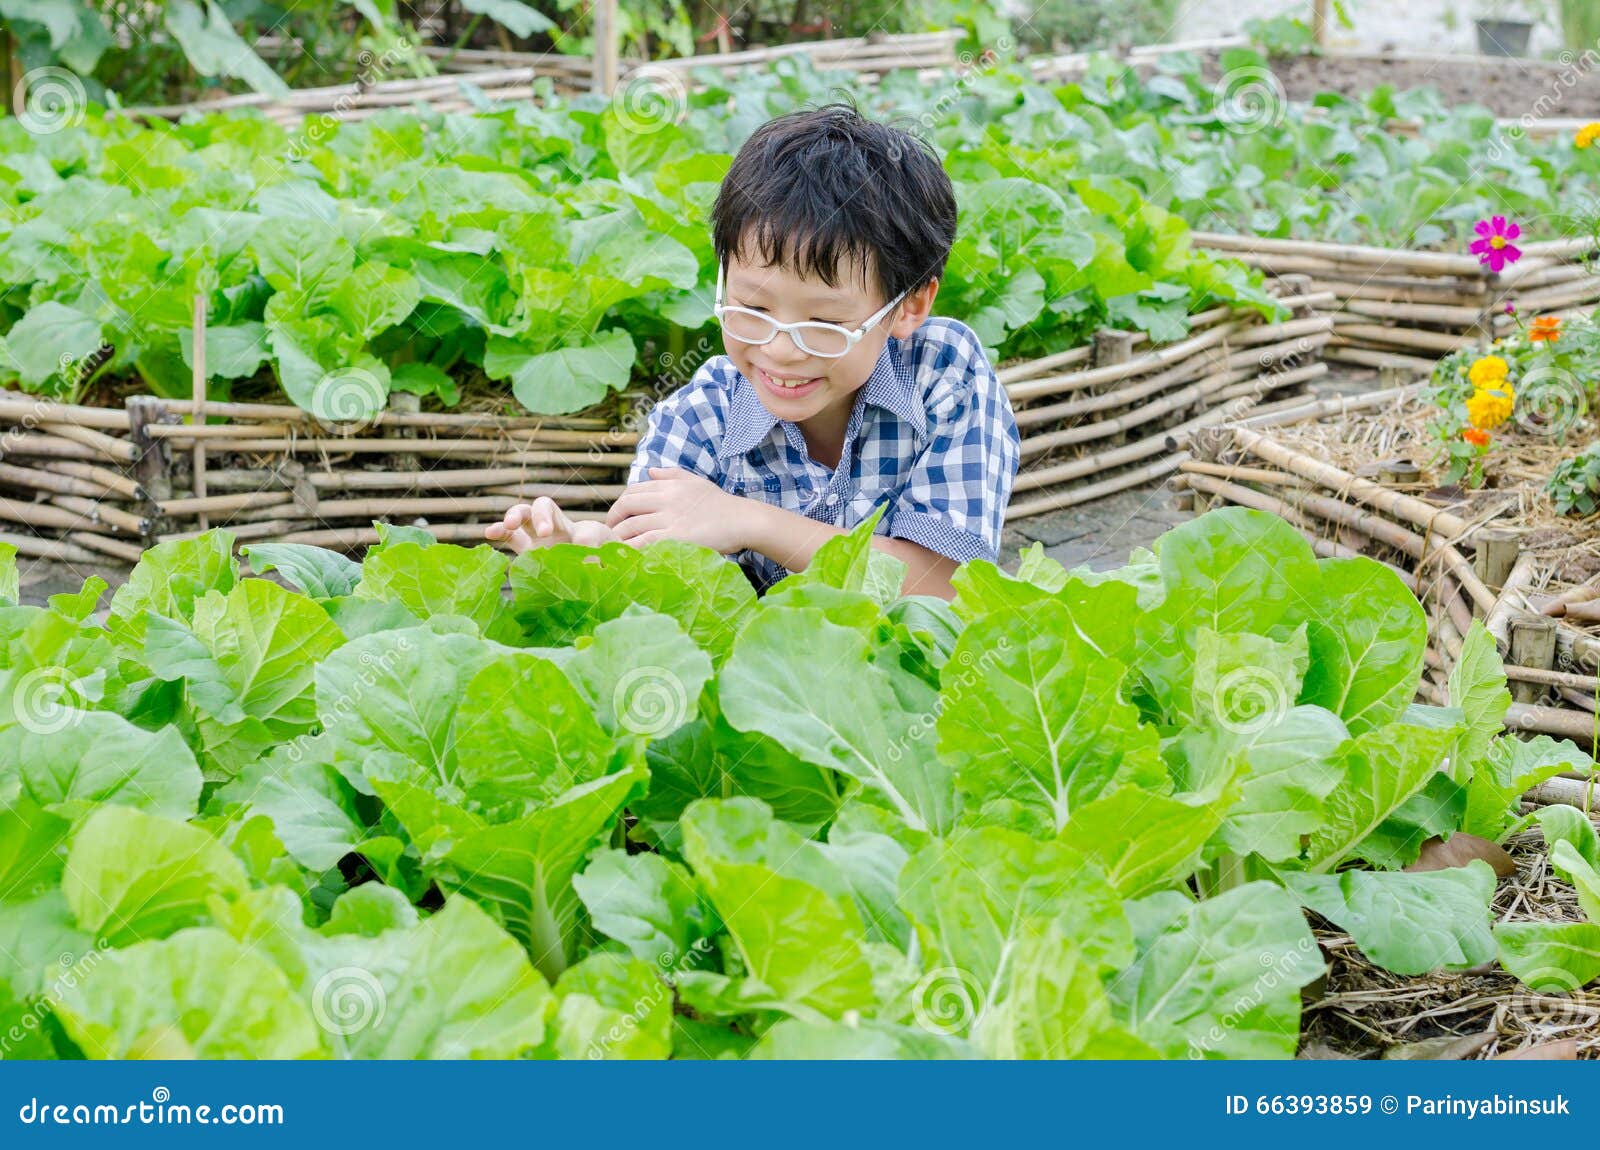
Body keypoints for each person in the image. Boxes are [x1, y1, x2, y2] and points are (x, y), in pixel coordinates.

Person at [485, 102, 1019, 600]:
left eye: (825, 323)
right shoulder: (698, 418)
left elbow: (948, 587)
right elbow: (653, 574)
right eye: (753, 310)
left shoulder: (946, 376)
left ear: (908, 306)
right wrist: (575, 554)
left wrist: (751, 522)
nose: (781, 350)